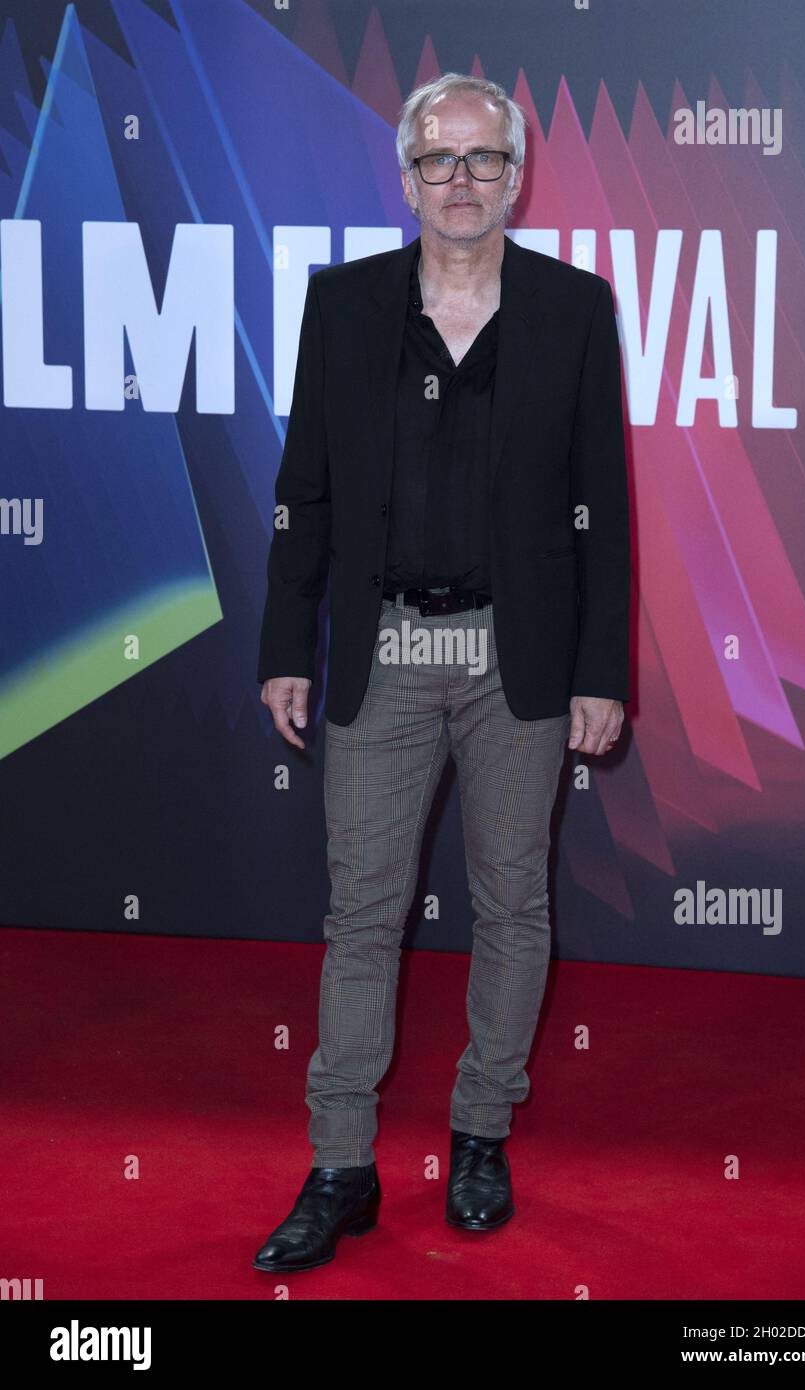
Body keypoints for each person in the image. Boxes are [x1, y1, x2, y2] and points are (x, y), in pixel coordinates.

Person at [252, 72, 630, 1274]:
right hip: (384, 648)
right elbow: (302, 490)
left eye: (480, 159)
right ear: (404, 176)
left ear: (515, 175)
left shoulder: (573, 310)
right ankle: (340, 1165)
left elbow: (602, 514)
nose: (457, 180)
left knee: (511, 904)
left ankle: (478, 1132)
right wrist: (281, 647)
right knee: (360, 914)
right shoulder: (344, 305)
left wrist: (597, 668)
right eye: (435, 159)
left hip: (515, 654)